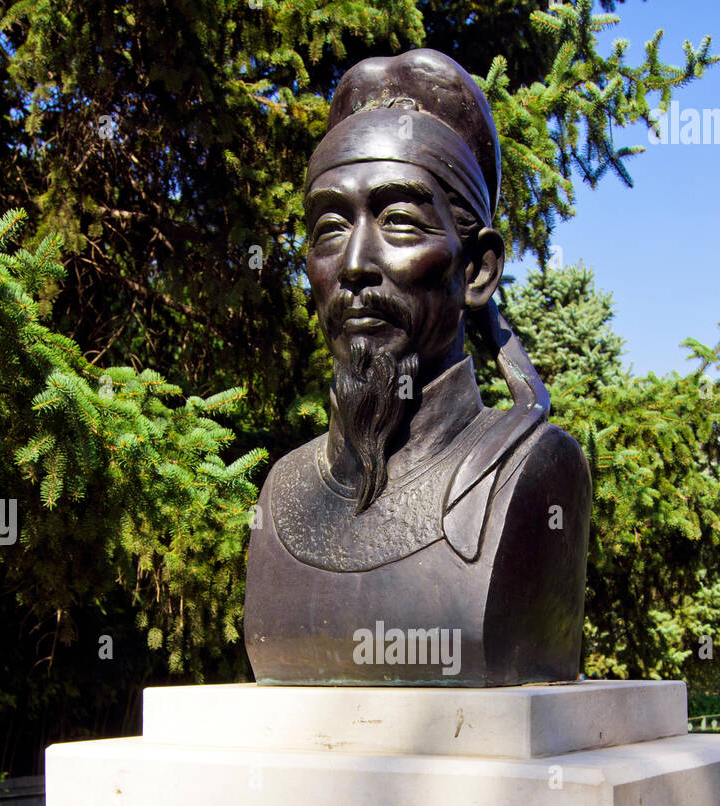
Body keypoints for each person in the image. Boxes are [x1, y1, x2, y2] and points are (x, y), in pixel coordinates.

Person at [244, 49, 591, 685]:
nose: (353, 265)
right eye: (328, 228)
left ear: (478, 270)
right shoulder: (282, 492)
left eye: (399, 222)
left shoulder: (533, 474)